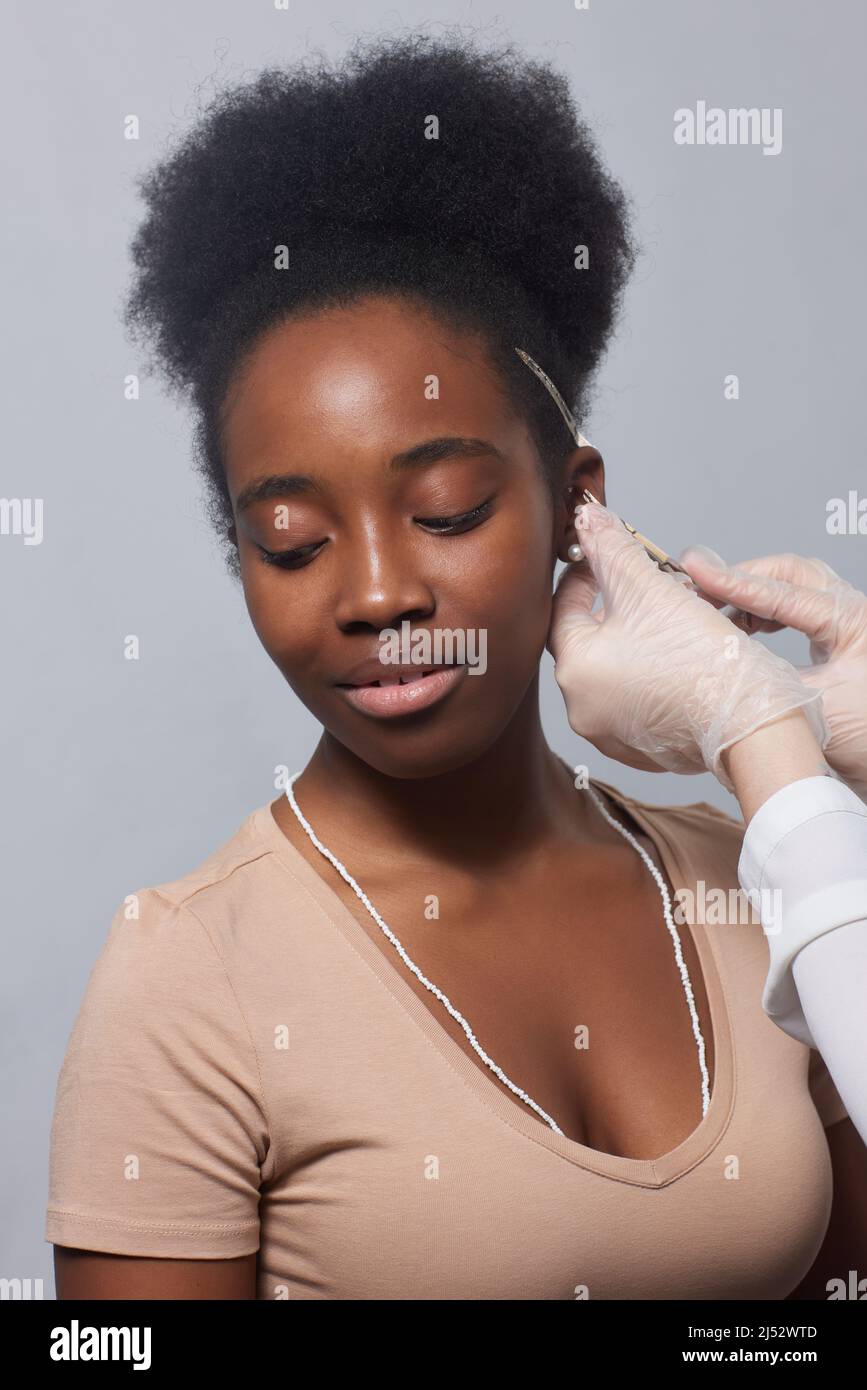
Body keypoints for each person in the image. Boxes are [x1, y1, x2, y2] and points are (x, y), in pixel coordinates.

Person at [45, 32, 867, 1301]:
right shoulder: (190, 973)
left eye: (445, 511)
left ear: (577, 506)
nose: (376, 592)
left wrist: (800, 750)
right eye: (293, 541)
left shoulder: (750, 872)